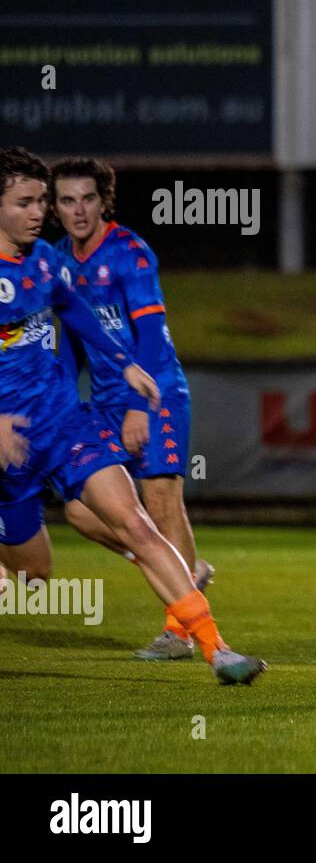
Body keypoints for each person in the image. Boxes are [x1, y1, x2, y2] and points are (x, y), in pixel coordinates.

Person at [0, 146, 263, 684]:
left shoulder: (59, 260)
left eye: (42, 201)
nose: (44, 212)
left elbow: (80, 315)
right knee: (33, 575)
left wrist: (126, 370)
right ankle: (184, 573)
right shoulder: (50, 257)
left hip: (71, 420)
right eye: (30, 202)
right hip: (13, 437)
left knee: (144, 516)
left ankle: (214, 648)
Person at [51, 156, 215, 661]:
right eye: (66, 200)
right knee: (78, 509)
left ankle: (179, 631)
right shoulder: (56, 258)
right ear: (55, 207)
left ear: (105, 202)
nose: (78, 210)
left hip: (154, 392)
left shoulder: (130, 253)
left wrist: (141, 404)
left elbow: (150, 334)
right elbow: (69, 343)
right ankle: (181, 571)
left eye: (88, 199)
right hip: (100, 401)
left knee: (162, 504)